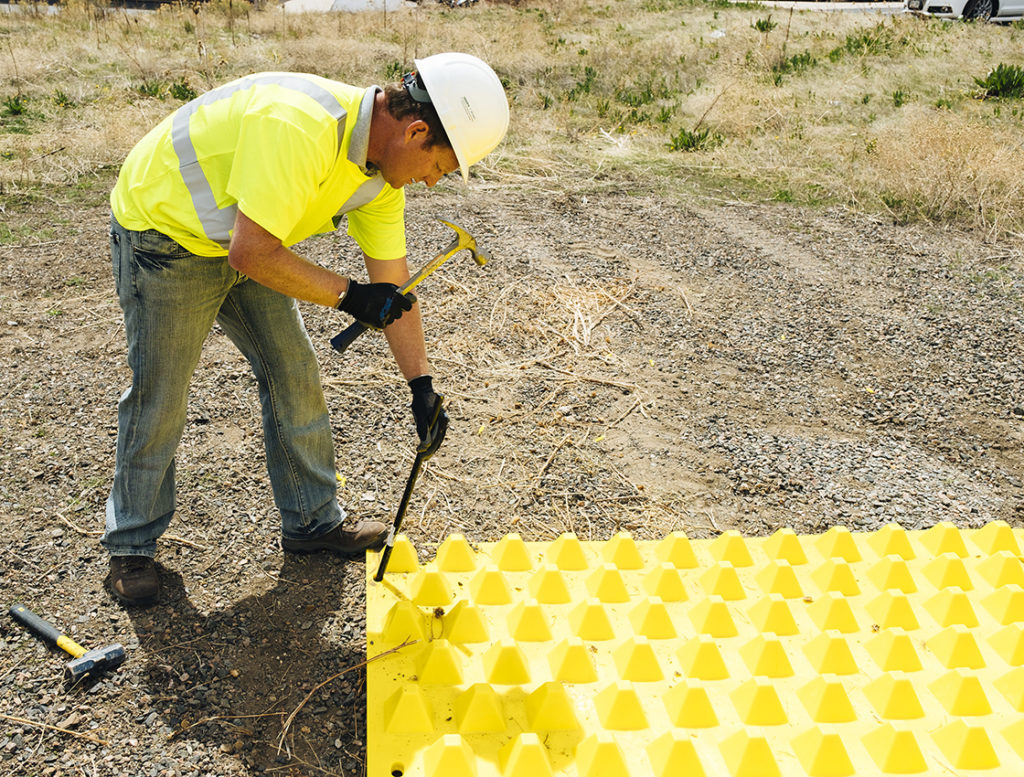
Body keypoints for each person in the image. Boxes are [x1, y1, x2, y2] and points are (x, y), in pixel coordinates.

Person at [103, 53, 510, 607]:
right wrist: (347, 296)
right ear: (416, 131)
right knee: (163, 393)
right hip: (167, 232)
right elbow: (253, 253)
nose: (434, 182)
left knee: (294, 372)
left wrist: (421, 385)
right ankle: (131, 547)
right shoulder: (300, 126)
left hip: (248, 239)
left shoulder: (380, 182)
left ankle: (312, 523)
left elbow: (393, 290)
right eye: (440, 167)